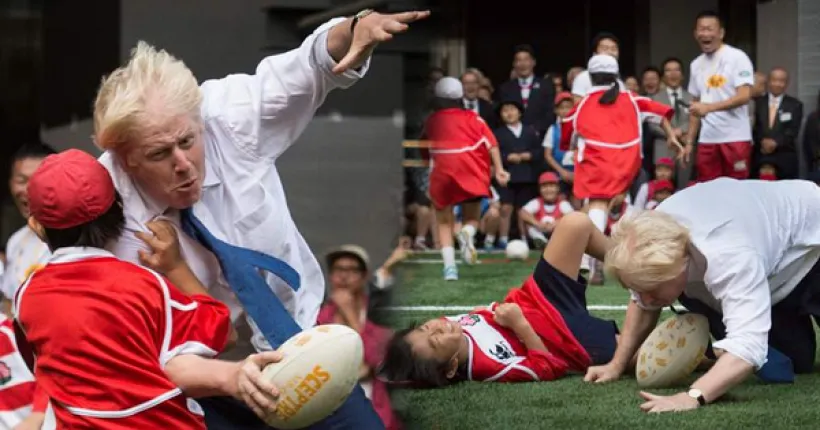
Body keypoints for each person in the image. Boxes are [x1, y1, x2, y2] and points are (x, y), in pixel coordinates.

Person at [92, 9, 430, 429]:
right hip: (196, 389)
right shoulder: (105, 210)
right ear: (127, 162)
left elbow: (309, 66)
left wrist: (354, 28)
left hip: (303, 353)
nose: (183, 163)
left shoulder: (229, 118)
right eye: (160, 154)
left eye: (187, 141)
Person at [12, 149, 276, 428]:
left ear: (37, 227)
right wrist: (176, 267)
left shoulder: (26, 296)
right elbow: (224, 335)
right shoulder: (145, 286)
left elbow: (41, 366)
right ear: (119, 210)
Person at [586, 177, 820, 413]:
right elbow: (642, 301)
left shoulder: (727, 254)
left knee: (753, 353)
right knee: (796, 361)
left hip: (811, 237)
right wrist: (616, 365)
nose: (643, 300)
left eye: (650, 290)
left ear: (678, 267)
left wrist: (692, 396)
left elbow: (748, 346)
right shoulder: (655, 235)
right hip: (767, 260)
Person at [380, 212, 620, 386]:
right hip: (567, 340)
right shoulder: (489, 366)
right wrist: (520, 326)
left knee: (575, 223)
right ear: (452, 366)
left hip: (538, 298)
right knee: (636, 349)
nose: (436, 328)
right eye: (433, 342)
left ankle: (634, 265)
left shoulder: (447, 326)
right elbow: (548, 368)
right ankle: (643, 277)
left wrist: (486, 311)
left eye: (425, 327)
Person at [559, 55, 683, 242]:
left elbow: (568, 131)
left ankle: (589, 257)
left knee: (597, 203)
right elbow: (658, 112)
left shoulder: (584, 104)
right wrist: (671, 136)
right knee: (621, 201)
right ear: (616, 75)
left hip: (598, 162)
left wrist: (572, 145)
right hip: (627, 163)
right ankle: (622, 249)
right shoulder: (632, 99)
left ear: (590, 77)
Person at [425, 76, 509, 281]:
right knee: (472, 216)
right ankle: (468, 233)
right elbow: (492, 143)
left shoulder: (432, 121)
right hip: (470, 170)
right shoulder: (473, 117)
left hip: (442, 170)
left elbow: (425, 149)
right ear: (460, 96)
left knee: (444, 221)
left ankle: (450, 269)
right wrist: (499, 169)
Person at [318, 244, 406, 429]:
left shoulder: (377, 312)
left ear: (364, 276)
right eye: (338, 269)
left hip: (372, 404)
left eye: (351, 270)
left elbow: (380, 360)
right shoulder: (320, 318)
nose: (343, 276)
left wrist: (350, 316)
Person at [685, 10, 755, 182]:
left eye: (710, 29)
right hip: (707, 139)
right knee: (708, 188)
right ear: (695, 34)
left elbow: (744, 96)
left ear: (721, 33)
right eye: (701, 29)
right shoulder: (696, 64)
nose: (705, 34)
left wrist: (709, 107)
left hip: (735, 137)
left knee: (737, 188)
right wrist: (689, 143)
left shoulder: (738, 57)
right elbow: (695, 105)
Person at [2, 143, 55, 314]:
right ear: (10, 183)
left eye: (37, 181)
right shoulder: (15, 242)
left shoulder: (74, 236)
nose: (28, 190)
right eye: (21, 180)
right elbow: (10, 303)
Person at [494, 99, 542, 247]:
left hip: (527, 176)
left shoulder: (530, 131)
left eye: (512, 109)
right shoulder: (497, 133)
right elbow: (493, 152)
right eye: (505, 110)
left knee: (524, 209)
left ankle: (524, 238)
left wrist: (529, 155)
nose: (509, 113)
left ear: (520, 112)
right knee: (506, 207)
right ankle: (502, 239)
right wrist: (506, 157)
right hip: (507, 175)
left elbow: (539, 151)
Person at [519, 172, 574, 248]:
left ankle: (558, 243)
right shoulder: (536, 202)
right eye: (544, 186)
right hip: (539, 230)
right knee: (527, 222)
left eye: (551, 186)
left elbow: (572, 216)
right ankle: (540, 241)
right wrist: (537, 223)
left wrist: (556, 223)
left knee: (569, 222)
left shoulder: (563, 203)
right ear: (539, 189)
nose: (548, 189)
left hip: (556, 233)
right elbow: (523, 212)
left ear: (557, 188)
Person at [543, 91, 578, 207]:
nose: (565, 111)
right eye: (561, 108)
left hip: (578, 173)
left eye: (568, 107)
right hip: (559, 173)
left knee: (577, 201)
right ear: (556, 110)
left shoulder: (580, 128)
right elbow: (547, 155)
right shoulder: (552, 129)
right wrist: (561, 171)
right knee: (561, 202)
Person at [572, 33, 622, 102]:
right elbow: (578, 106)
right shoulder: (583, 78)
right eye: (605, 48)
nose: (610, 52)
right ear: (595, 53)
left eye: (614, 49)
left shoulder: (619, 80)